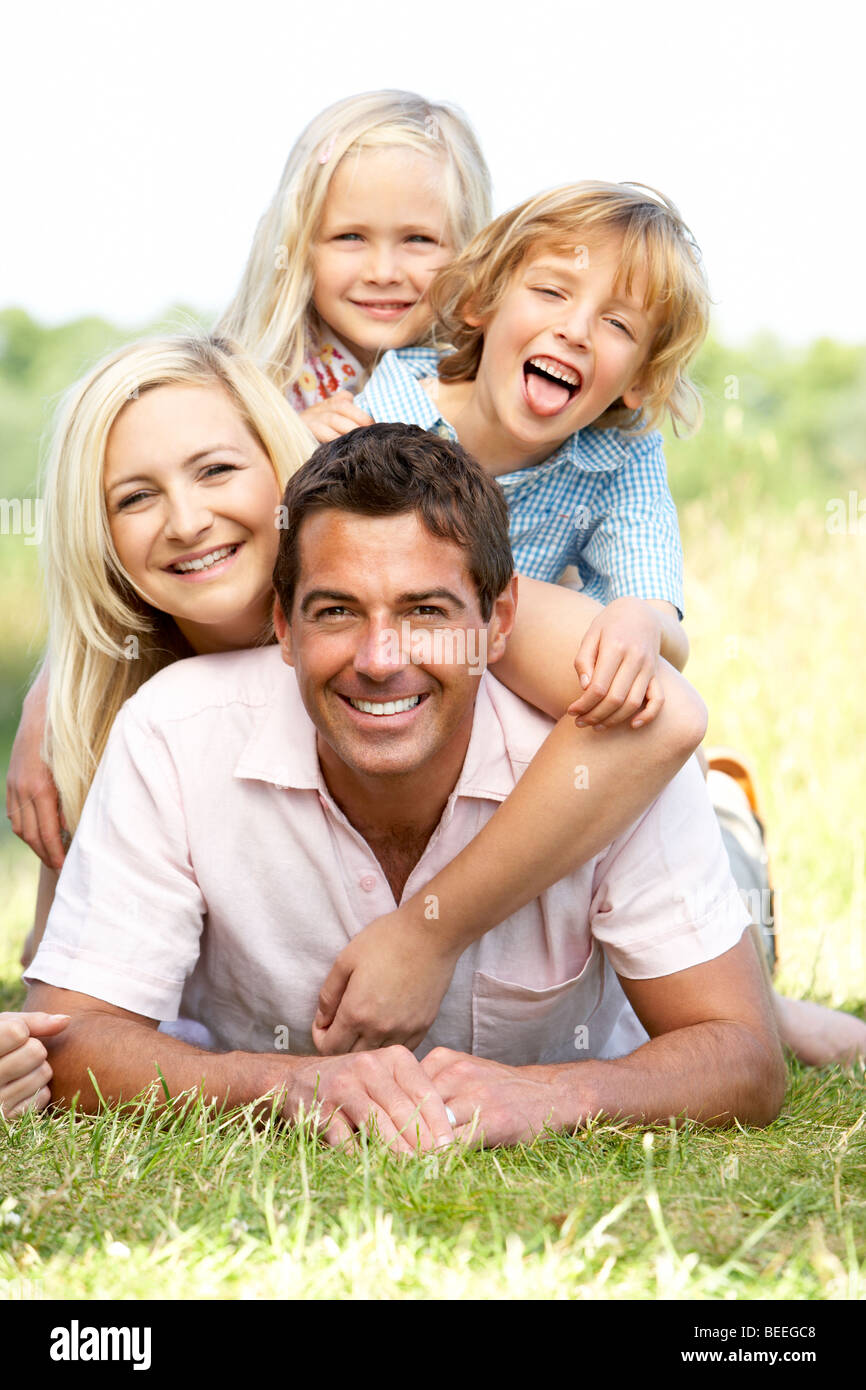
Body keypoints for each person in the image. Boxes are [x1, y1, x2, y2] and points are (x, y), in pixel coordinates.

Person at [24, 424, 786, 1148]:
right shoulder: (175, 730)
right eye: (336, 612)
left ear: (499, 620)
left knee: (740, 908)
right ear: (283, 629)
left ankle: (732, 822)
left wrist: (552, 1095)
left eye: (426, 611)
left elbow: (746, 1059)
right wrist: (290, 1087)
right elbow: (71, 1039)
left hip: (682, 842)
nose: (381, 658)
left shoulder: (612, 747)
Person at [4, 335, 705, 1066]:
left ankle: (747, 879)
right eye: (136, 497)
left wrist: (429, 932)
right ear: (100, 534)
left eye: (216, 470)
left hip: (634, 826)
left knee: (705, 939)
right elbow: (64, 1010)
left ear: (282, 465)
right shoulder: (129, 700)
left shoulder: (432, 592)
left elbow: (668, 720)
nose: (186, 521)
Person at [350, 181, 866, 1067]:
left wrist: (635, 626)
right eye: (551, 293)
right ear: (482, 302)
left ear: (640, 377)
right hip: (423, 688)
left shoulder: (617, 458)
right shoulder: (394, 399)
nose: (577, 330)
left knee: (640, 708)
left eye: (619, 326)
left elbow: (654, 597)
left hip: (528, 706)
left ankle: (744, 981)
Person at [217, 88, 492, 439]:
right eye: (350, 237)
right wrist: (286, 444)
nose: (382, 273)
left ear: (466, 252)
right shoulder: (239, 390)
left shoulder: (483, 388)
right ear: (299, 246)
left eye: (418, 239)